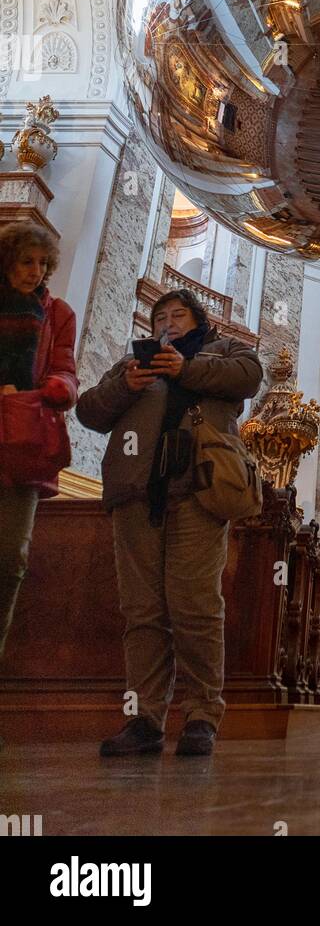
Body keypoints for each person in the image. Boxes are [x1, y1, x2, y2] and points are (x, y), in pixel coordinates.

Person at [77, 289, 262, 758]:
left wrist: (187, 368)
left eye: (179, 314)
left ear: (197, 320)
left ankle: (202, 715)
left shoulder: (222, 352)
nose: (169, 321)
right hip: (136, 494)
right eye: (162, 316)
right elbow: (88, 411)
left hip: (198, 493)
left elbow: (250, 376)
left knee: (195, 606)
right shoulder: (130, 366)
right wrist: (127, 386)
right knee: (142, 611)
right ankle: (144, 718)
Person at [0, 223, 77, 747]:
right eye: (27, 262)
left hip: (24, 445)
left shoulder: (58, 313)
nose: (35, 272)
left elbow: (67, 373)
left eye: (42, 265)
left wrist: (47, 390)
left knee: (11, 556)